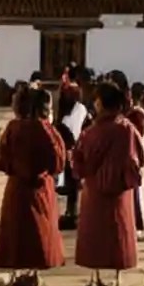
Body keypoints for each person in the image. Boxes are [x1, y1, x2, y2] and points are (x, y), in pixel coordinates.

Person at [73, 82, 144, 286]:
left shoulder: (90, 132)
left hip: (94, 191)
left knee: (95, 235)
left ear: (101, 104)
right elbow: (139, 158)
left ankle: (94, 279)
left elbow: (79, 162)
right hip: (119, 193)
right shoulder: (127, 129)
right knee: (118, 236)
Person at [0, 88, 66, 286]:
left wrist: (13, 168)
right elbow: (58, 160)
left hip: (17, 186)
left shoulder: (14, 128)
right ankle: (33, 272)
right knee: (39, 231)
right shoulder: (46, 128)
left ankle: (17, 271)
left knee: (17, 230)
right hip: (41, 187)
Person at [57, 81, 91, 231]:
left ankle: (72, 214)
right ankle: (72, 213)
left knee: (71, 184)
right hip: (74, 147)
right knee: (72, 184)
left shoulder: (68, 111)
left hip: (69, 147)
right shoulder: (80, 109)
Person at [125, 82, 144, 242]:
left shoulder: (135, 115)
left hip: (133, 156)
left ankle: (137, 227)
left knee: (135, 195)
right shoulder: (139, 114)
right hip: (136, 155)